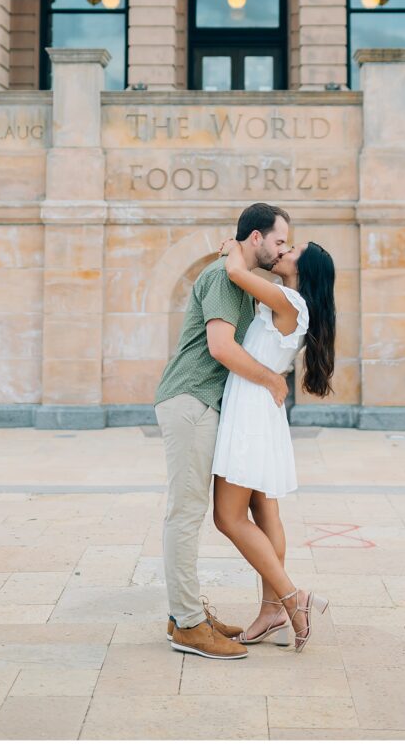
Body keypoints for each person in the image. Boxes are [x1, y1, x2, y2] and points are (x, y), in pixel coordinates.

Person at [152, 202, 292, 661]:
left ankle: (184, 614)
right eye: (278, 241)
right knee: (186, 514)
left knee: (193, 513)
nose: (281, 249)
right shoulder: (222, 278)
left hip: (204, 405)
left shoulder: (238, 281)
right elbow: (220, 346)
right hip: (192, 399)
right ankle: (188, 625)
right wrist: (272, 379)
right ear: (255, 238)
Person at [208, 234, 338, 652]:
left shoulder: (291, 301)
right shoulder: (291, 303)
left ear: (305, 269)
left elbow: (234, 271)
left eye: (292, 249)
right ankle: (271, 612)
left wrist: (234, 245)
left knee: (228, 517)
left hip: (250, 410)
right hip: (258, 407)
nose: (284, 251)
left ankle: (291, 598)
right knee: (265, 512)